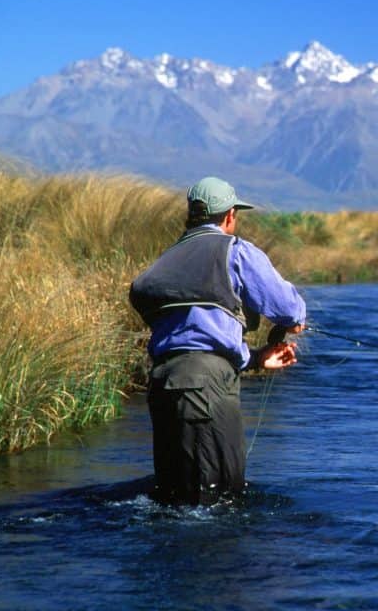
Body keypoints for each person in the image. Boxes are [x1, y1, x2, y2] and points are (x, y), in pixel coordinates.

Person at [129, 177, 306, 505]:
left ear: (191, 216)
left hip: (162, 383)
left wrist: (253, 358)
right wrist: (295, 322)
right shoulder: (236, 251)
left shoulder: (168, 259)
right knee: (220, 498)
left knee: (172, 496)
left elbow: (146, 298)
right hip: (208, 388)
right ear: (229, 216)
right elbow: (287, 307)